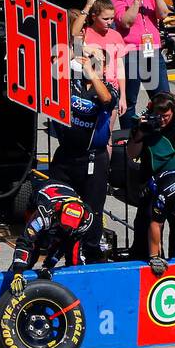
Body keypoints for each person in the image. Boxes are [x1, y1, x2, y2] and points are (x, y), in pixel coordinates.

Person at [48, 51, 117, 261]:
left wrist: (91, 73)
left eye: (97, 60)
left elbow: (106, 100)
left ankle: (90, 253)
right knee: (55, 205)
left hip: (93, 160)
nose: (91, 61)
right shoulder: (71, 83)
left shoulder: (109, 89)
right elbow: (51, 70)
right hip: (66, 156)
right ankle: (55, 249)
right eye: (89, 57)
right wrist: (65, 56)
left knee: (93, 211)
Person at [3, 181, 93, 295]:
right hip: (39, 197)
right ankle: (12, 280)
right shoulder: (44, 213)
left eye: (70, 226)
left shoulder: (86, 219)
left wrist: (48, 266)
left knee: (75, 259)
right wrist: (18, 272)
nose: (67, 228)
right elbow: (25, 241)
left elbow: (66, 243)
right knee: (33, 249)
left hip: (63, 194)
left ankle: (78, 293)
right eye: (65, 224)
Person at [126, 92, 175, 258]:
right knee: (143, 235)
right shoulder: (144, 124)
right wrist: (139, 133)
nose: (162, 120)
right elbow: (131, 154)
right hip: (151, 187)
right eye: (158, 116)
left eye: (166, 116)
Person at [110, 0, 171, 120]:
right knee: (129, 100)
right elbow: (125, 22)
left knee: (163, 99)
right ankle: (129, 139)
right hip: (131, 52)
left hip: (152, 49)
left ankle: (161, 134)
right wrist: (136, 1)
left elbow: (163, 14)